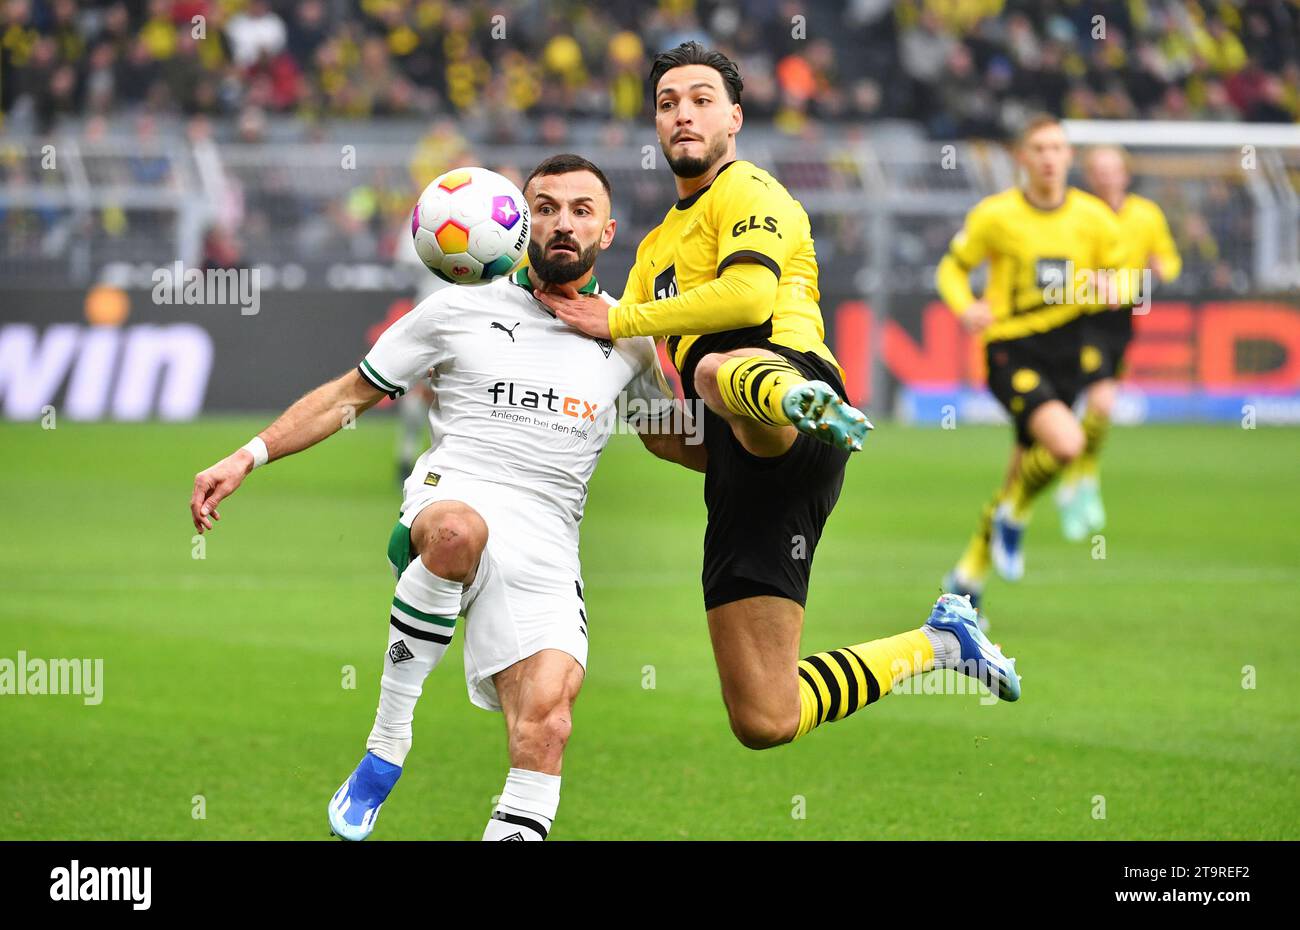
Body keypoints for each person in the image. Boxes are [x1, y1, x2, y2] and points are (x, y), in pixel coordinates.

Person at [190, 154, 702, 840]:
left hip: (547, 538)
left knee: (547, 725)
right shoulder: (458, 309)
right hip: (456, 491)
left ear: (607, 232)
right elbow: (349, 394)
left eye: (581, 210)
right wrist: (248, 455)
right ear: (520, 223)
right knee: (457, 532)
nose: (562, 223)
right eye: (545, 207)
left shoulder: (627, 337)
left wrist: (770, 449)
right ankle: (386, 745)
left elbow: (669, 439)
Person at [540, 42, 1019, 754]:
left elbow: (750, 293)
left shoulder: (753, 193)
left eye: (702, 100)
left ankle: (794, 401)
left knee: (709, 369)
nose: (683, 115)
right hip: (746, 462)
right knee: (764, 717)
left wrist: (617, 319)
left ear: (734, 117)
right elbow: (619, 347)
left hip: (794, 384)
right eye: (668, 104)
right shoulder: (651, 252)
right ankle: (941, 642)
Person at [936, 114, 1125, 614]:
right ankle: (1013, 516)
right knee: (1067, 443)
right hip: (1010, 350)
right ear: (1022, 158)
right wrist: (966, 306)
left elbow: (1127, 278)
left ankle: (966, 576)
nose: (1047, 157)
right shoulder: (996, 215)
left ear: (1068, 158)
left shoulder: (1094, 219)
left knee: (1020, 470)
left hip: (1065, 354)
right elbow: (952, 268)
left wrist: (1116, 288)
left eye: (1057, 148)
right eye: (1038, 148)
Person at [1055, 145, 1182, 540]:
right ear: (1090, 176)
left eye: (1114, 170)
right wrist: (1091, 280)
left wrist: (1161, 269)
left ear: (1125, 174)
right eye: (1099, 170)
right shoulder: (1077, 214)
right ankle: (1082, 480)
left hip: (1121, 320)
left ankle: (1076, 479)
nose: (1107, 177)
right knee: (1101, 401)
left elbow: (1170, 260)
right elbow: (1058, 263)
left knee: (1096, 410)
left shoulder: (1146, 215)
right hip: (1081, 317)